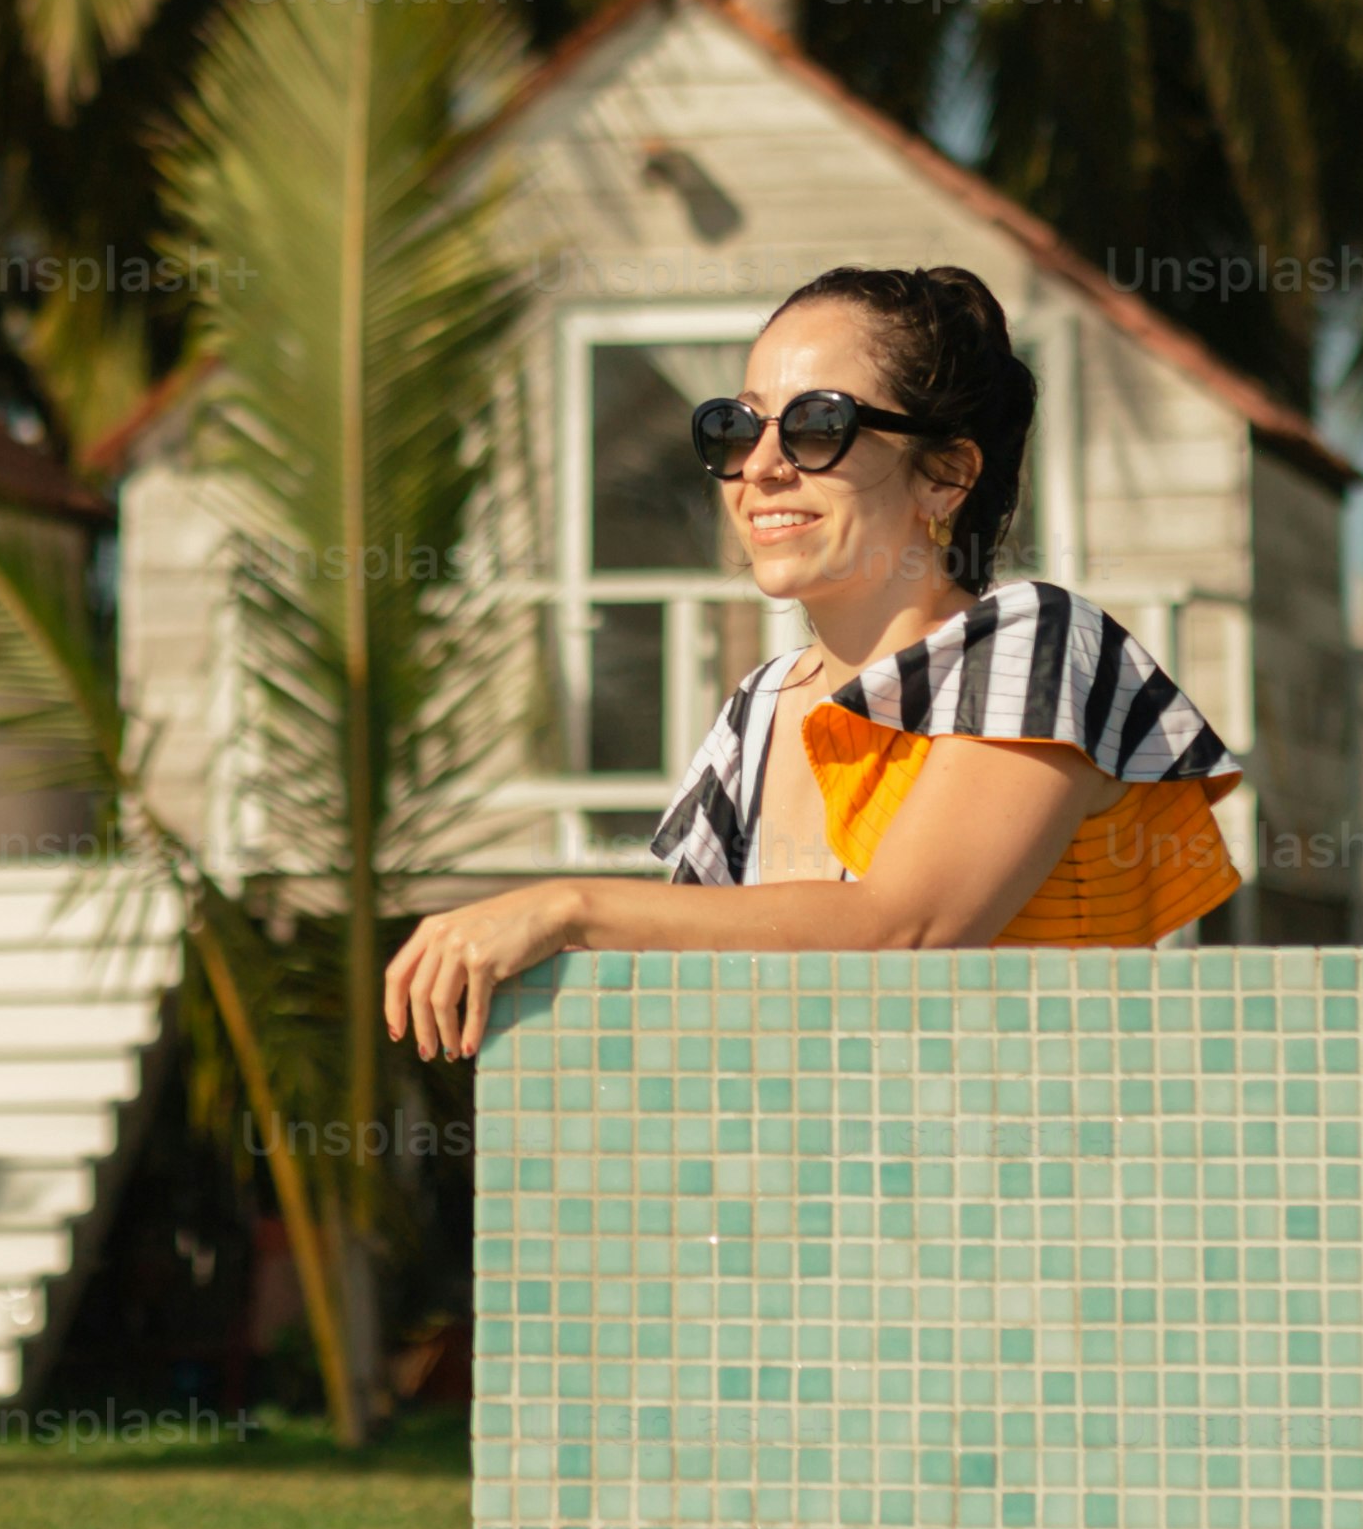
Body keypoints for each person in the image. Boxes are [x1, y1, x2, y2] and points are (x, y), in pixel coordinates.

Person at [381, 261, 1244, 1058]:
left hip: (1028, 1195)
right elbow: (705, 988)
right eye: (736, 426)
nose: (759, 466)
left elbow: (901, 932)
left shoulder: (1040, 643)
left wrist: (563, 906)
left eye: (817, 425)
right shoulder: (758, 711)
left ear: (946, 475)